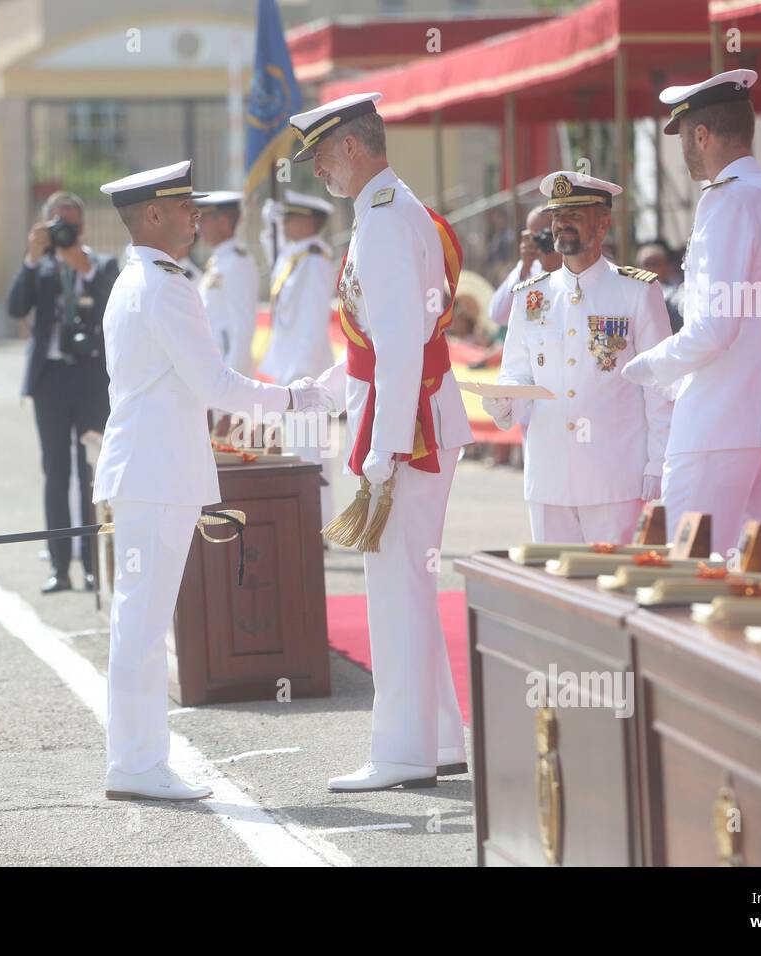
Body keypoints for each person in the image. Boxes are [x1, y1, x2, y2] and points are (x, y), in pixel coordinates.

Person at [92, 160, 324, 801]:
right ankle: (137, 765)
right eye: (183, 206)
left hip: (147, 466)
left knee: (137, 620)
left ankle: (135, 760)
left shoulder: (135, 278)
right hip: (157, 470)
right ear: (153, 215)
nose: (197, 216)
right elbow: (216, 385)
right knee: (141, 622)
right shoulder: (165, 286)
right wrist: (298, 400)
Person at [292, 92, 474, 792]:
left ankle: (402, 754)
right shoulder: (388, 212)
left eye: (322, 157)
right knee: (407, 588)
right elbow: (379, 347)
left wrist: (382, 453)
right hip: (403, 416)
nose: (317, 173)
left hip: (407, 429)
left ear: (353, 147)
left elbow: (400, 348)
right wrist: (324, 391)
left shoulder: (387, 220)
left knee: (395, 594)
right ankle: (442, 740)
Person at [622, 70, 761, 569]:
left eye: (684, 137)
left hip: (720, 420)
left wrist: (640, 368)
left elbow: (714, 327)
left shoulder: (726, 200)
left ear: (703, 135)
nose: (685, 150)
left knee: (693, 566)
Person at [483, 172, 673, 544]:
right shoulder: (531, 296)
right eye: (557, 216)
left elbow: (660, 385)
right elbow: (517, 373)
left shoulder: (636, 292)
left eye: (574, 214)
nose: (562, 224)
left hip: (614, 477)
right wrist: (504, 399)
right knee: (553, 590)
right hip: (548, 475)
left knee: (612, 590)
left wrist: (658, 461)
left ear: (603, 223)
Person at [7, 191, 117, 593]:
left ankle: (92, 564)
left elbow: (108, 301)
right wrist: (32, 258)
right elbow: (15, 308)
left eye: (69, 222)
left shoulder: (100, 265)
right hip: (50, 379)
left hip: (89, 380)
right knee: (55, 472)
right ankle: (59, 566)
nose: (63, 230)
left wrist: (80, 264)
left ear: (83, 226)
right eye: (56, 223)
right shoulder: (41, 267)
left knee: (92, 472)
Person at [260, 189, 341, 523]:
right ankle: (304, 520)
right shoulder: (294, 257)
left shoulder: (315, 261)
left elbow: (312, 318)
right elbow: (274, 254)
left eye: (291, 218)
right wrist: (268, 225)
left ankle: (315, 522)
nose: (285, 224)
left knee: (309, 453)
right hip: (289, 370)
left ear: (310, 222)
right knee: (296, 448)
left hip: (304, 371)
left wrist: (301, 373)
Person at [193, 191, 257, 377]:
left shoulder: (238, 263)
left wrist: (231, 381)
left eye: (203, 220)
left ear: (223, 221)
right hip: (214, 369)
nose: (198, 227)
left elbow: (243, 329)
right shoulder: (219, 260)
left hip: (227, 374)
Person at [486, 204, 563, 337]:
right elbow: (497, 315)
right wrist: (524, 269)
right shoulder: (528, 268)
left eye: (547, 233)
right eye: (536, 237)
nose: (544, 240)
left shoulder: (574, 263)